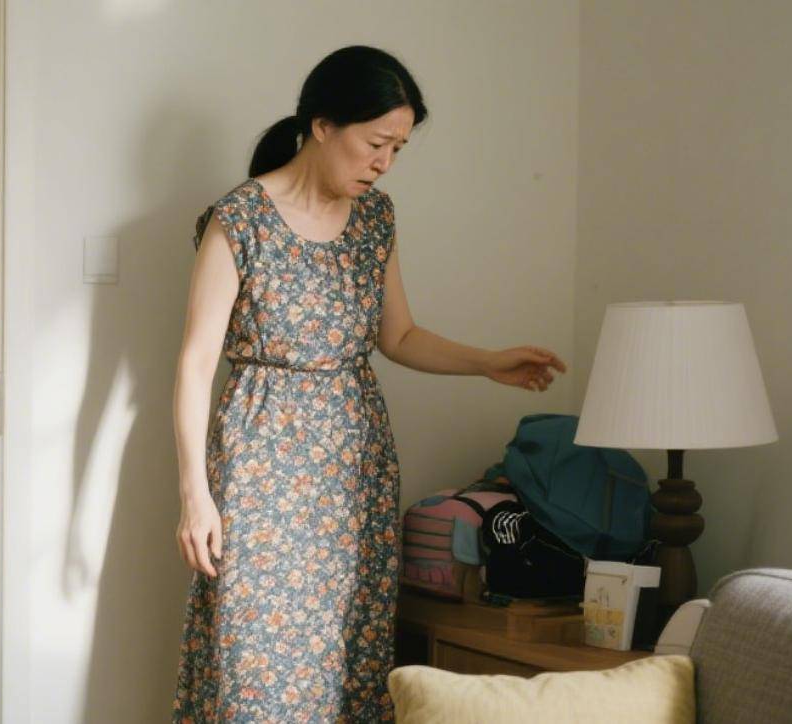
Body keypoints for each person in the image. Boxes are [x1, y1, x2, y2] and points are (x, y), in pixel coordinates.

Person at [171, 44, 567, 723]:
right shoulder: (239, 219)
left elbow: (399, 336)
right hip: (262, 461)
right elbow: (195, 363)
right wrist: (195, 497)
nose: (384, 162)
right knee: (255, 658)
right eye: (375, 143)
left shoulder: (375, 218)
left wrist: (486, 361)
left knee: (349, 656)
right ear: (322, 125)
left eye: (397, 149)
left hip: (355, 467)